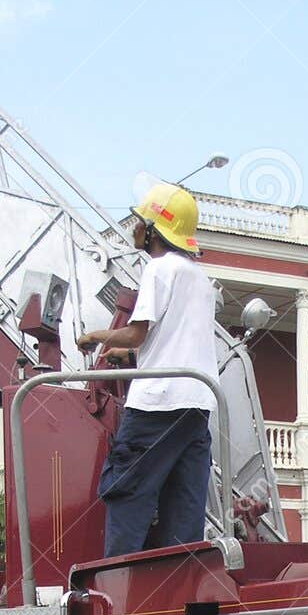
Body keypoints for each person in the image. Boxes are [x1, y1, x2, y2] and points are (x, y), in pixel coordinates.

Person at [78, 181, 218, 556]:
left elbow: (137, 333)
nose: (134, 228)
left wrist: (95, 336)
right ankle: (178, 597)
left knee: (128, 494)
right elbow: (171, 339)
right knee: (183, 511)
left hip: (157, 405)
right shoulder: (201, 279)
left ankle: (116, 592)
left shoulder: (158, 269)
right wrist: (131, 356)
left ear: (154, 230)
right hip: (197, 405)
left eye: (139, 221)